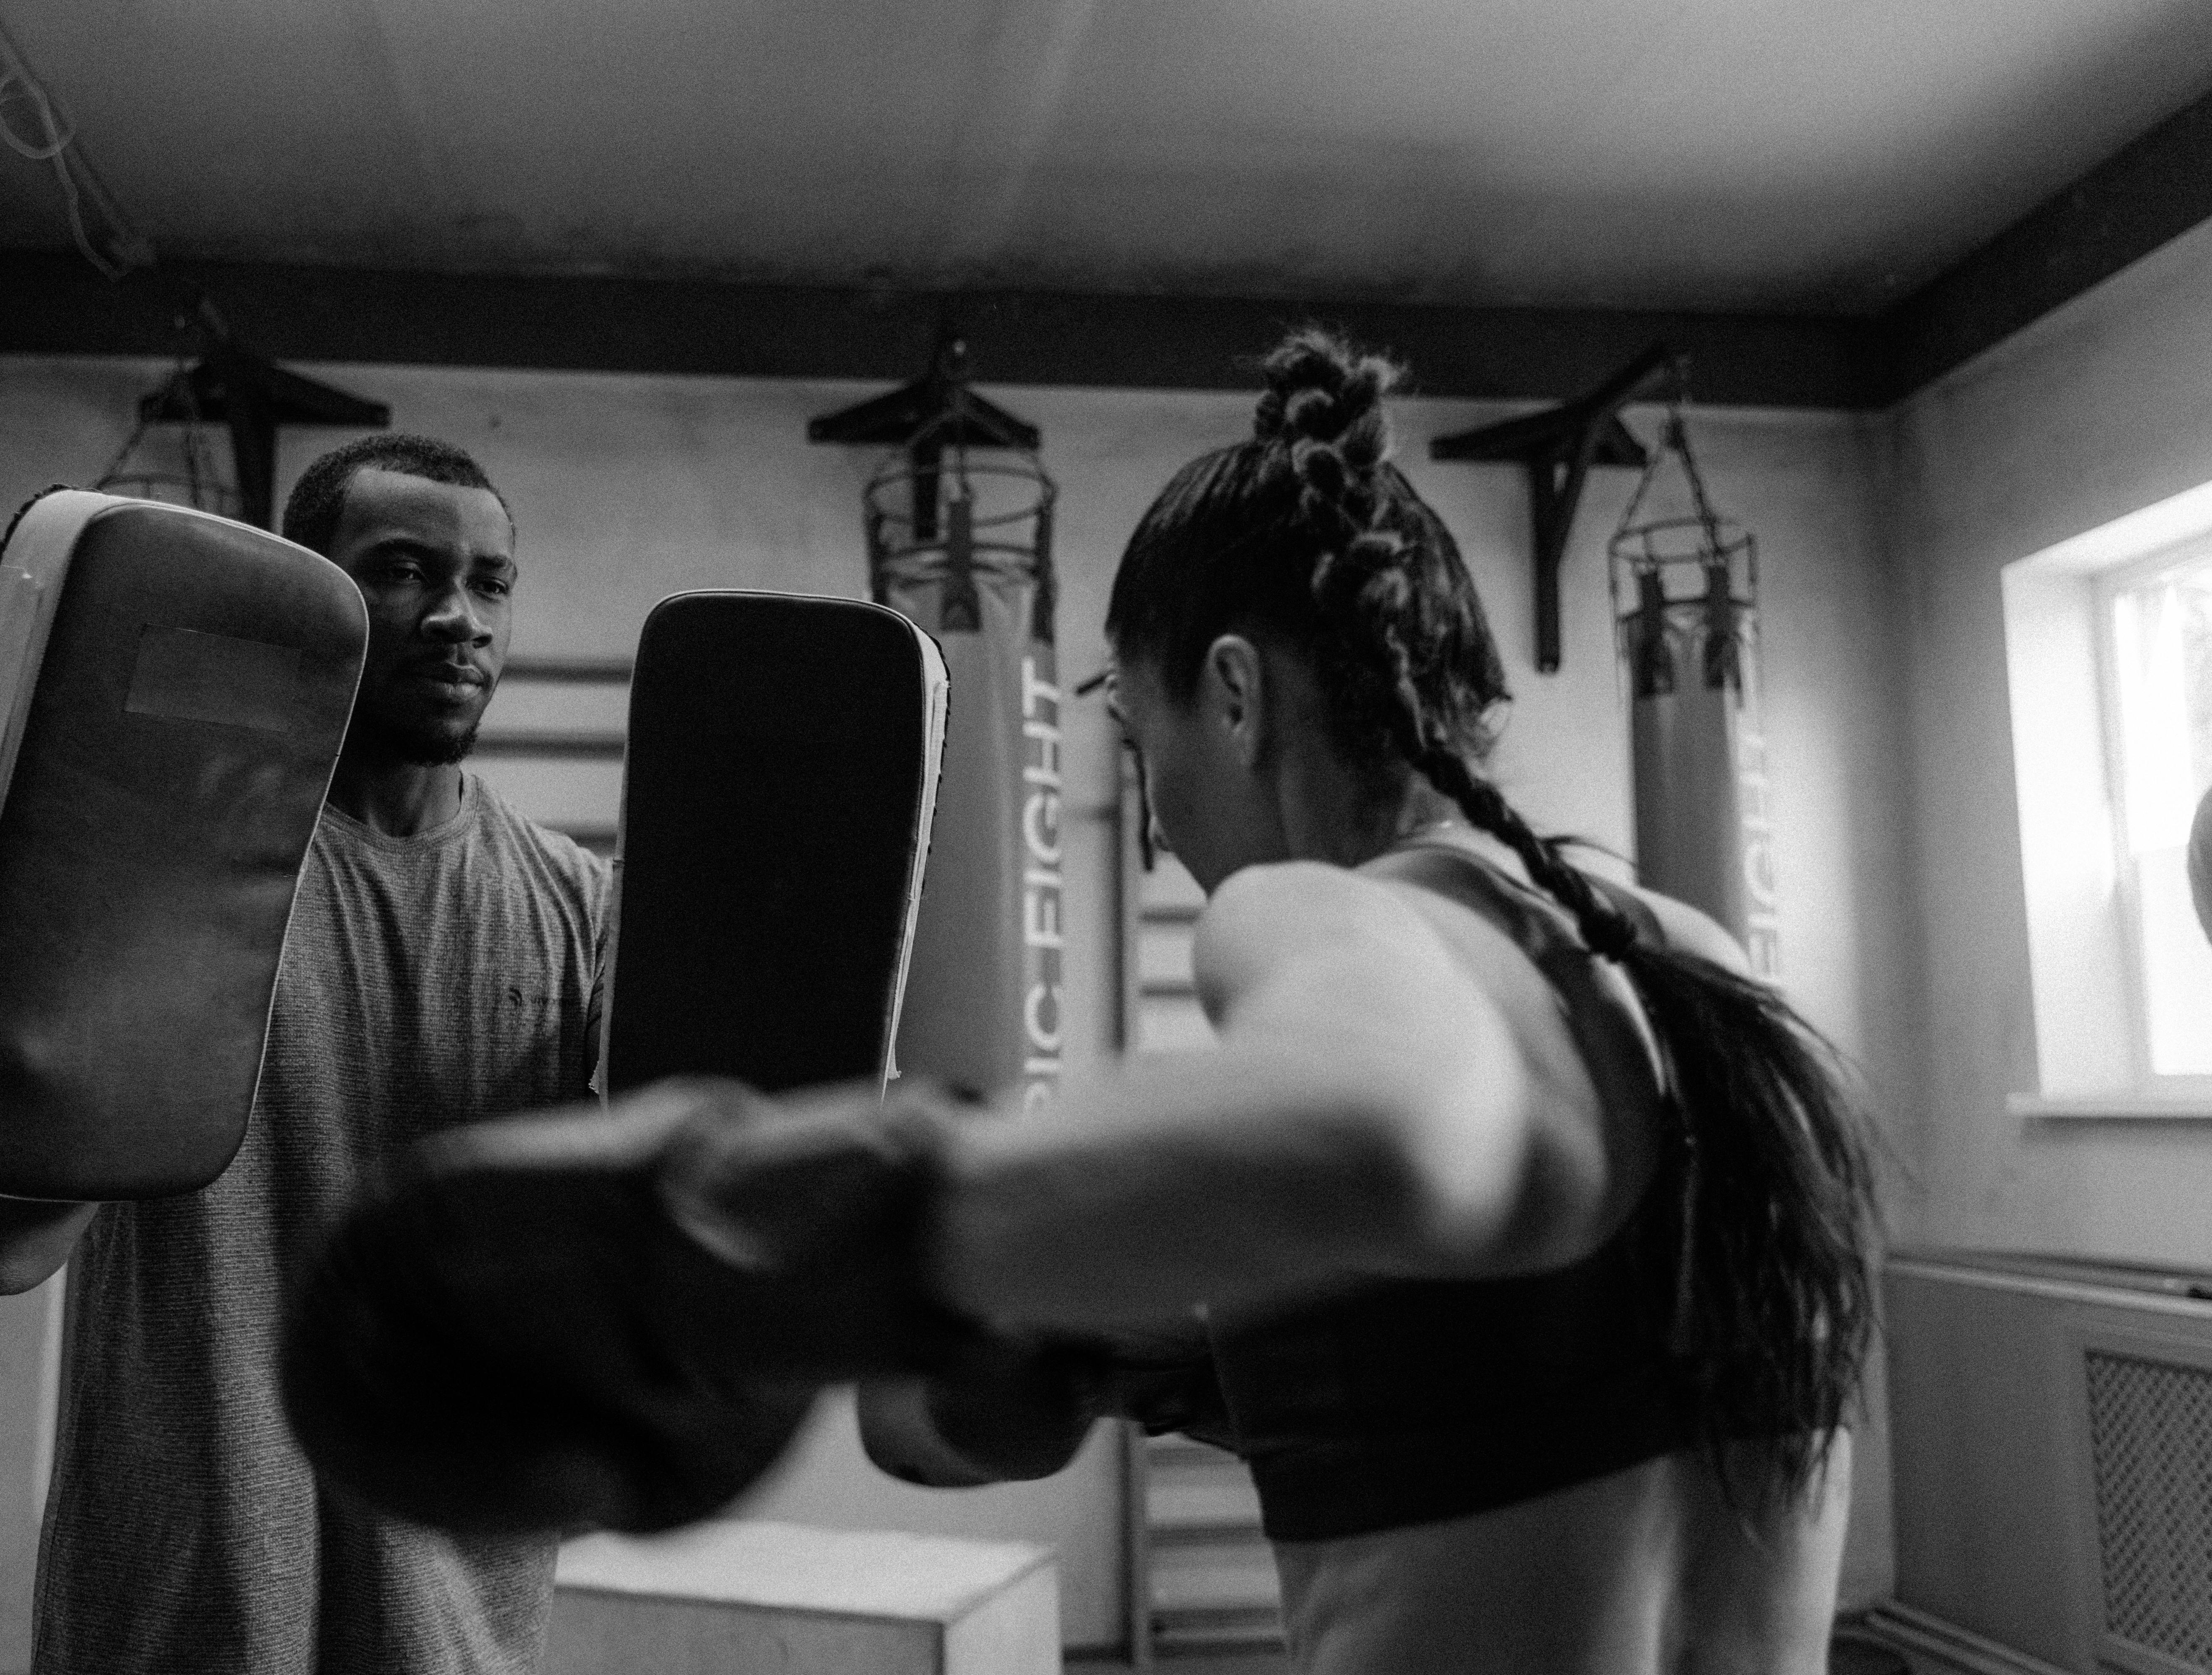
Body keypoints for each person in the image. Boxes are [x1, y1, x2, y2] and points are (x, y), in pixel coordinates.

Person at [281, 334, 1880, 1675]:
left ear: (1237, 695)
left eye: (1142, 739)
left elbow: (1377, 1133)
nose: (1166, 813)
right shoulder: (1690, 967)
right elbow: (1533, 1375)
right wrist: (1184, 1359)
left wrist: (781, 1254)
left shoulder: (1324, 910)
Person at [0, 434, 611, 1675]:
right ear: (316, 592)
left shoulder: (581, 910)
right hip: (177, 1611)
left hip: (460, 1635)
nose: (460, 617)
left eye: (490, 582)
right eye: (404, 571)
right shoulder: (165, 872)